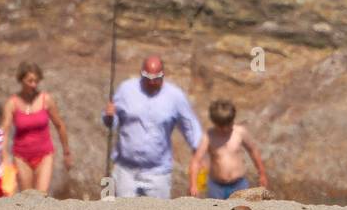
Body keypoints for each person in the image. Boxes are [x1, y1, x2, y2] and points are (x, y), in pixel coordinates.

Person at [102, 55, 203, 198]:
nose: (152, 82)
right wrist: (109, 116)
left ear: (163, 75)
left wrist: (199, 153)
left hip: (158, 173)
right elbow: (111, 121)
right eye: (147, 78)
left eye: (156, 79)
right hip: (126, 171)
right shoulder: (126, 89)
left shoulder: (175, 96)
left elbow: (190, 127)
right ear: (141, 73)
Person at [1, 62, 72, 195]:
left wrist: (66, 152)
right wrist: (4, 156)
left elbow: (59, 125)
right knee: (27, 196)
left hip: (44, 154)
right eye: (30, 81)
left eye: (36, 81)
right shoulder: (12, 103)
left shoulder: (46, 100)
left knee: (41, 195)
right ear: (21, 80)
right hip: (21, 156)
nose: (34, 84)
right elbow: (4, 130)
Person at [188, 99, 270, 199]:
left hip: (239, 185)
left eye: (228, 125)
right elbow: (196, 161)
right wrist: (193, 184)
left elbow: (253, 151)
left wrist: (262, 174)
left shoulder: (240, 132)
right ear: (215, 123)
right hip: (216, 186)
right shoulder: (209, 136)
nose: (225, 129)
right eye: (221, 127)